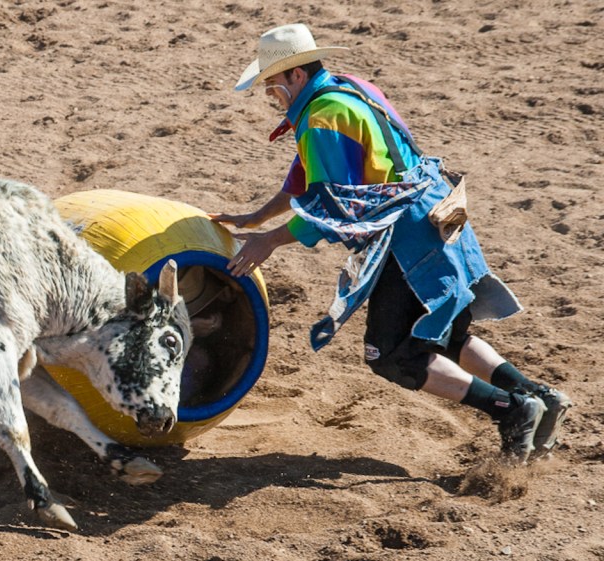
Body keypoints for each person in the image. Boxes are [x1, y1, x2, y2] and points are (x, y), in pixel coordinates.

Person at [211, 23, 571, 463]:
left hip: (408, 241)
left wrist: (268, 240)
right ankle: (540, 396)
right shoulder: (349, 89)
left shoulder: (321, 119)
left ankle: (511, 409)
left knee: (390, 355)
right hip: (440, 213)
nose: (270, 94)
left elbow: (335, 208)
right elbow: (307, 175)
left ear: (296, 75)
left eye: (272, 83)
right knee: (447, 334)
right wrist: (258, 217)